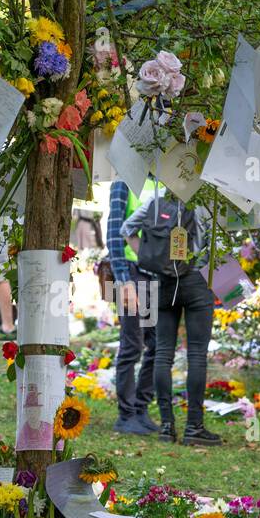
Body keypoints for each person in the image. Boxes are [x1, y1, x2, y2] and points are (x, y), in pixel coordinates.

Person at [123, 188, 221, 446]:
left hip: (164, 281)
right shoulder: (207, 202)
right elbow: (218, 248)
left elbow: (127, 228)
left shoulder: (156, 200)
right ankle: (194, 427)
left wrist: (148, 259)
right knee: (197, 354)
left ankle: (167, 426)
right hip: (197, 281)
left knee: (164, 351)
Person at [106, 177, 158, 434]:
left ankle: (141, 408)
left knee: (157, 345)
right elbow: (114, 233)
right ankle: (125, 416)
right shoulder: (124, 182)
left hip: (154, 273)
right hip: (129, 272)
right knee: (132, 343)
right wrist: (122, 280)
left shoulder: (164, 180)